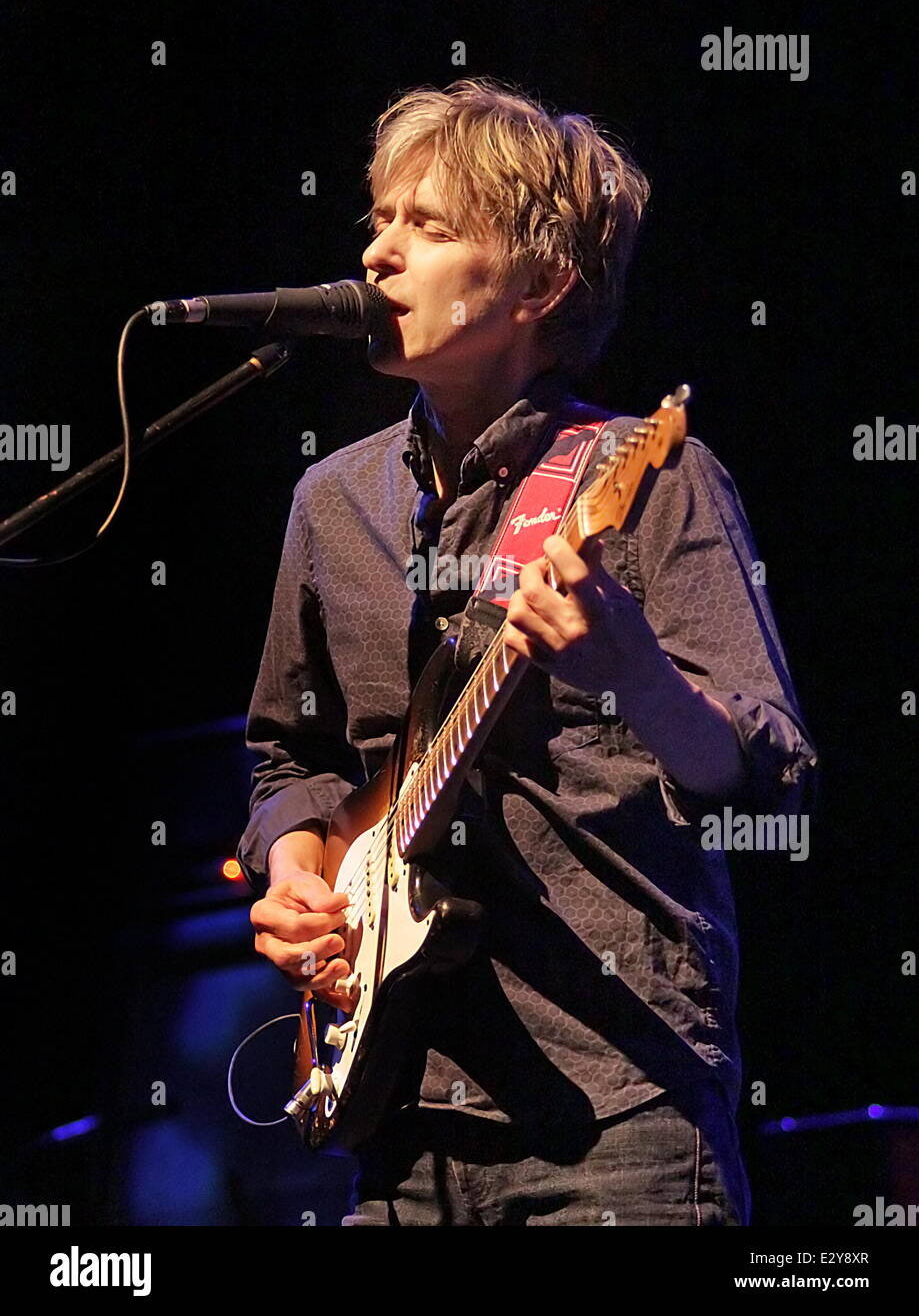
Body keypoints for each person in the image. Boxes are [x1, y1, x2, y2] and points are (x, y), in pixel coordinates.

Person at [236, 77, 817, 1226]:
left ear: (543, 285)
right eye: (380, 219)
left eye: (430, 226)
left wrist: (633, 672)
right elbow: (283, 757)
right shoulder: (331, 502)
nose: (380, 251)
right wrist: (297, 863)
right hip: (395, 1125)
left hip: (616, 1119)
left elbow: (775, 774)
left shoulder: (648, 476)